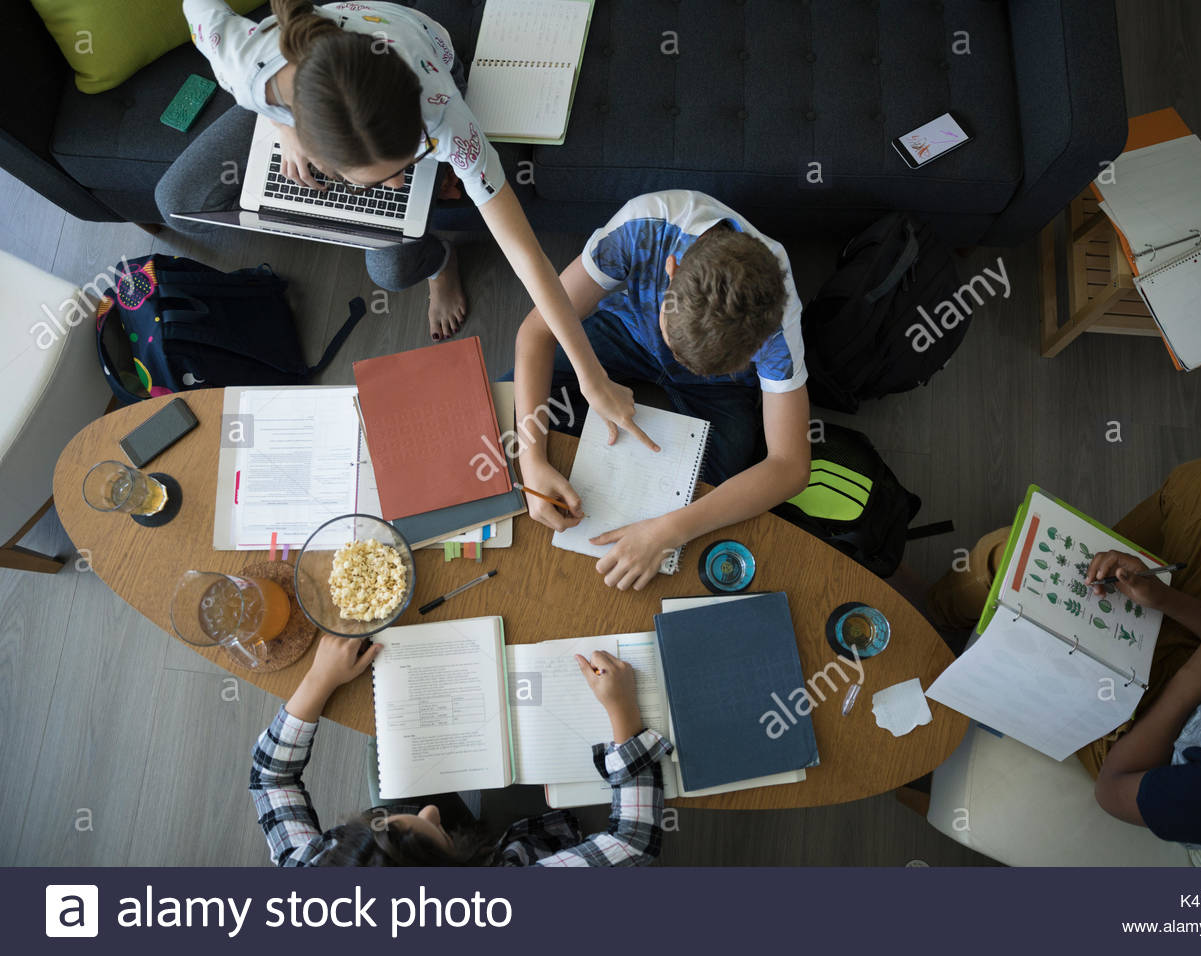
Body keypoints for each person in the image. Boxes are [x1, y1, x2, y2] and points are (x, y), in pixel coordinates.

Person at [161, 0, 651, 449]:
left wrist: (590, 375)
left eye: (409, 163)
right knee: (173, 198)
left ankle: (440, 258)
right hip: (315, 93)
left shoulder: (442, 112)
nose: (397, 183)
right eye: (383, 177)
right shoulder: (245, 68)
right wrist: (284, 128)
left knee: (390, 272)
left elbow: (525, 255)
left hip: (420, 48)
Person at [928, 458, 1201, 865]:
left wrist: (1197, 675)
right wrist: (1164, 599)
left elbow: (1113, 790)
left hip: (1150, 733)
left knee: (1003, 557)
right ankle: (1108, 561)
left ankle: (930, 617)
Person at [511, 189, 812, 591]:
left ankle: (642, 512)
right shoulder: (644, 225)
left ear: (756, 348)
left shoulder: (778, 321)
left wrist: (667, 532)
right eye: (675, 342)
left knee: (725, 478)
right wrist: (532, 461)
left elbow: (790, 467)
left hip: (716, 390)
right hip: (627, 332)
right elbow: (536, 329)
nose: (676, 362)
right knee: (507, 410)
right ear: (671, 269)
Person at [250, 634, 672, 866]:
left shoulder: (317, 871)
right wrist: (623, 714)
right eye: (436, 833)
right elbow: (634, 841)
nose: (430, 811)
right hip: (522, 848)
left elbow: (270, 776)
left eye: (385, 825)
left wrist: (320, 680)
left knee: (396, 761)